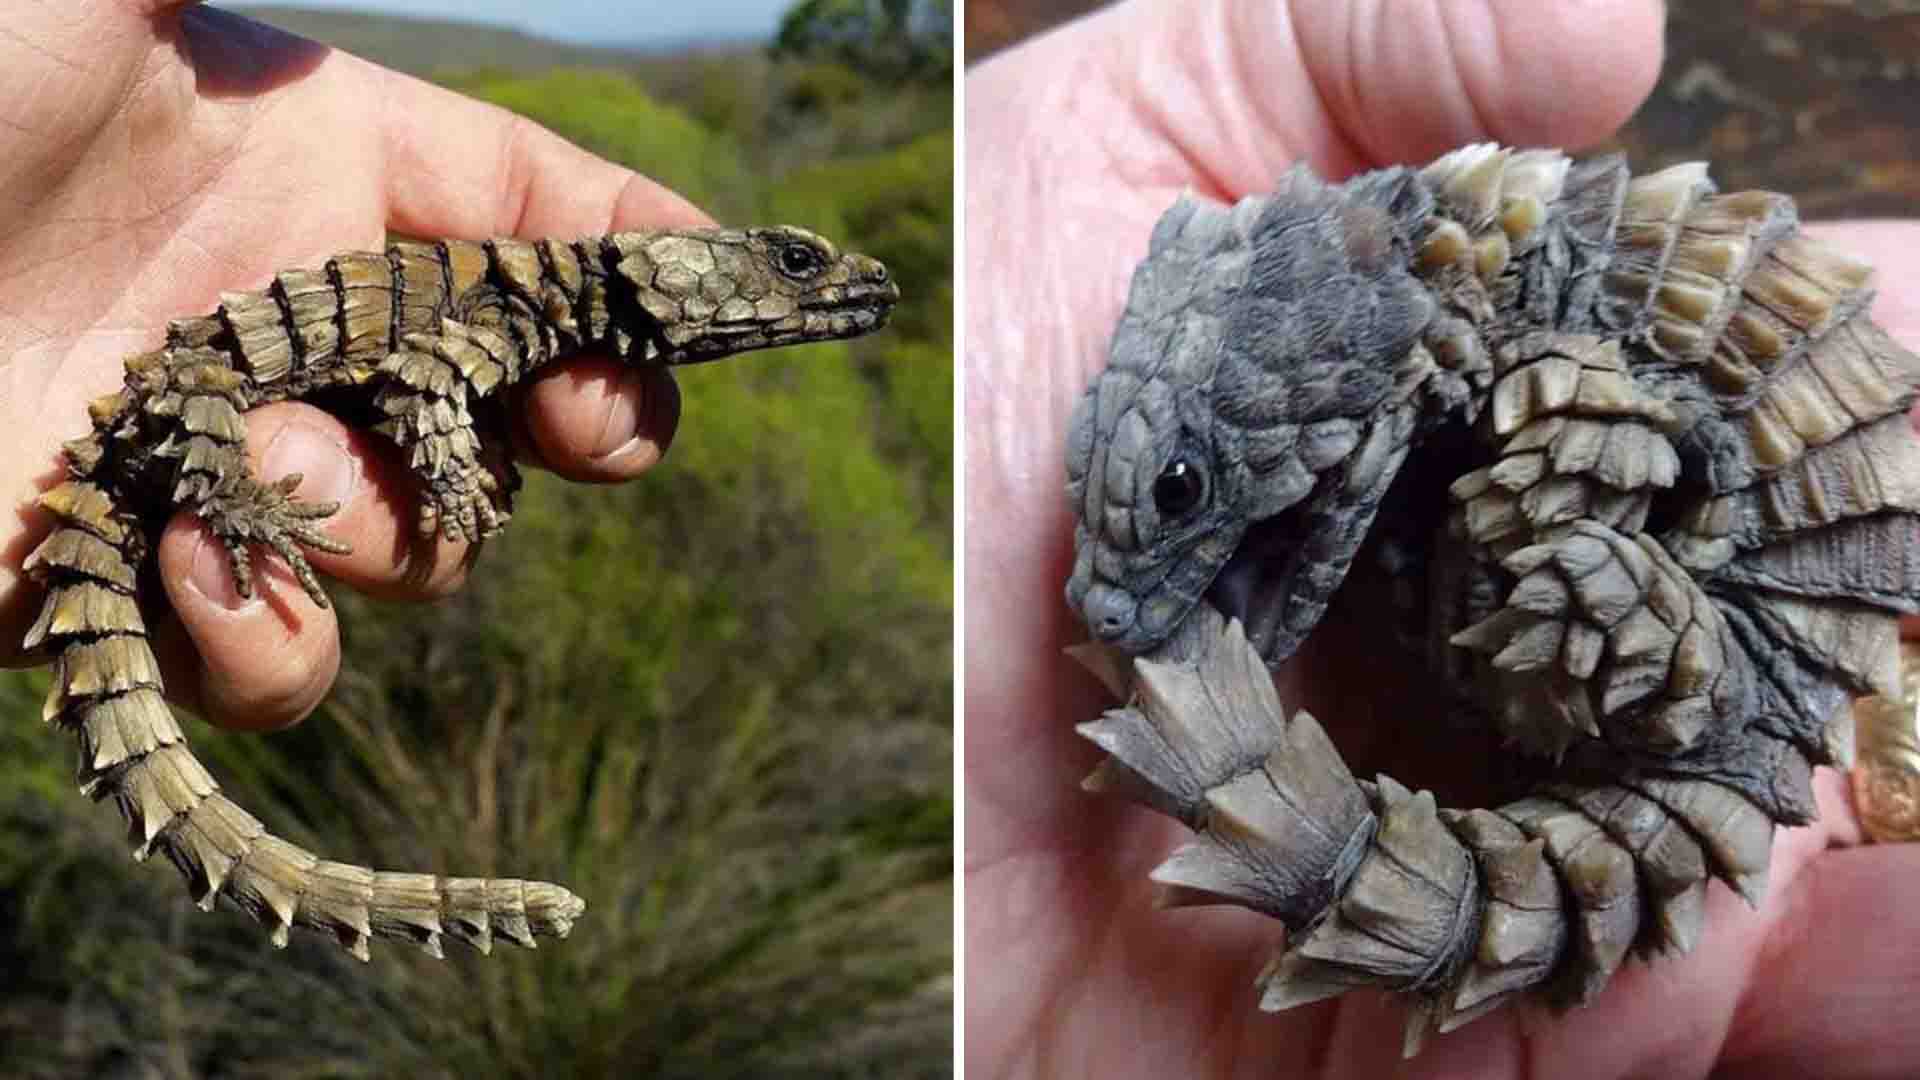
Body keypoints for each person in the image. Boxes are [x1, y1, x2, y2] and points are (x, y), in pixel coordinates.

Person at [964, 1, 1920, 1075]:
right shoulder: (1411, 309)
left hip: (1748, 623)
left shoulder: (1478, 333)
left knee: (1564, 452)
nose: (1106, 613)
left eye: (1190, 489)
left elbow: (1571, 444)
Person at [0, 1, 694, 732]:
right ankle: (231, 503)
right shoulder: (517, 310)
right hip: (160, 428)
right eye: (794, 265)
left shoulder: (524, 310)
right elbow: (427, 385)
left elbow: (425, 384)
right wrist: (453, 476)